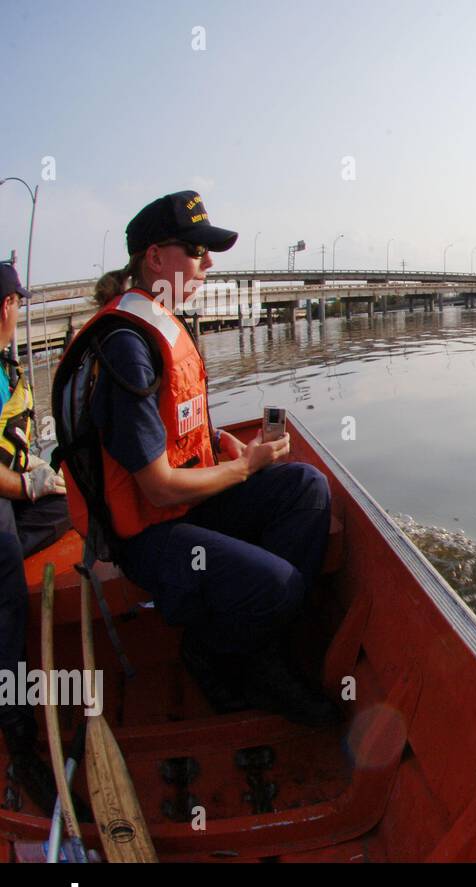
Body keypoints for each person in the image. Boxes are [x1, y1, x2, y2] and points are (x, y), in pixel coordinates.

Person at [56, 191, 338, 726]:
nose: (209, 264)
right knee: (277, 585)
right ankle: (212, 652)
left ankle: (259, 641)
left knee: (307, 487)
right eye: (196, 250)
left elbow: (177, 423)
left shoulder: (163, 322)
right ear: (155, 258)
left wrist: (219, 447)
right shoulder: (125, 345)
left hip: (186, 508)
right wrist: (244, 468)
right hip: (146, 535)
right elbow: (158, 487)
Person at [0, 260, 77, 815]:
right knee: (7, 590)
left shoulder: (7, 364)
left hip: (12, 492)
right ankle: (19, 735)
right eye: (17, 304)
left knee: (71, 505)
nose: (18, 312)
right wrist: (24, 485)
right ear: (6, 307)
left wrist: (38, 479)